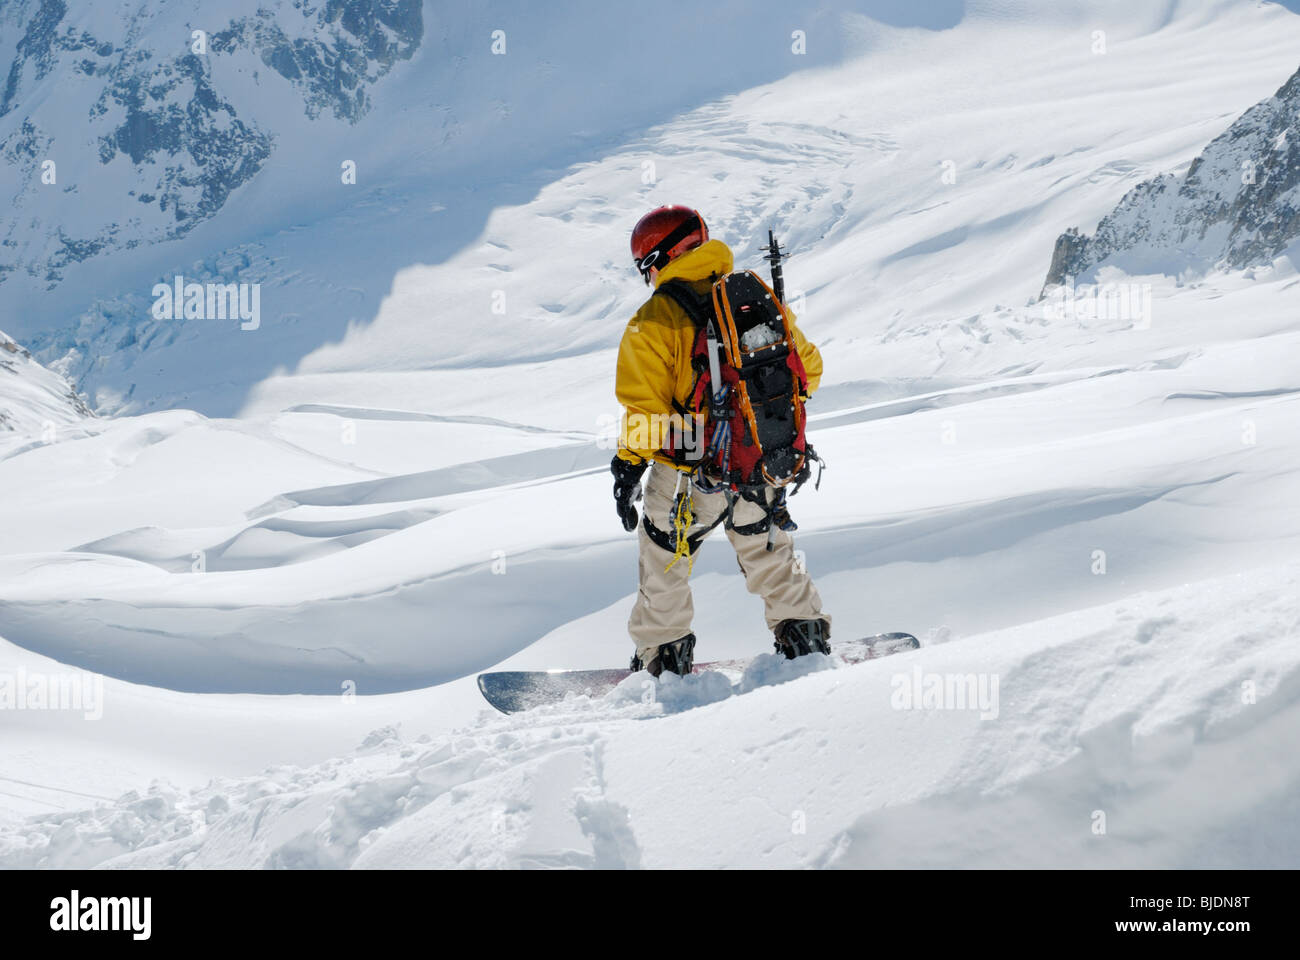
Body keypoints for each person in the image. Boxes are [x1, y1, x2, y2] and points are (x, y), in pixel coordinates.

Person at [611, 205, 832, 676]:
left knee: (664, 559)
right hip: (760, 459)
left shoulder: (653, 318)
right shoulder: (751, 296)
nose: (648, 279)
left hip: (690, 470)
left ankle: (663, 660)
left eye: (646, 267)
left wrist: (627, 466)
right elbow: (808, 369)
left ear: (662, 257)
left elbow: (646, 416)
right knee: (768, 552)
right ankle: (804, 639)